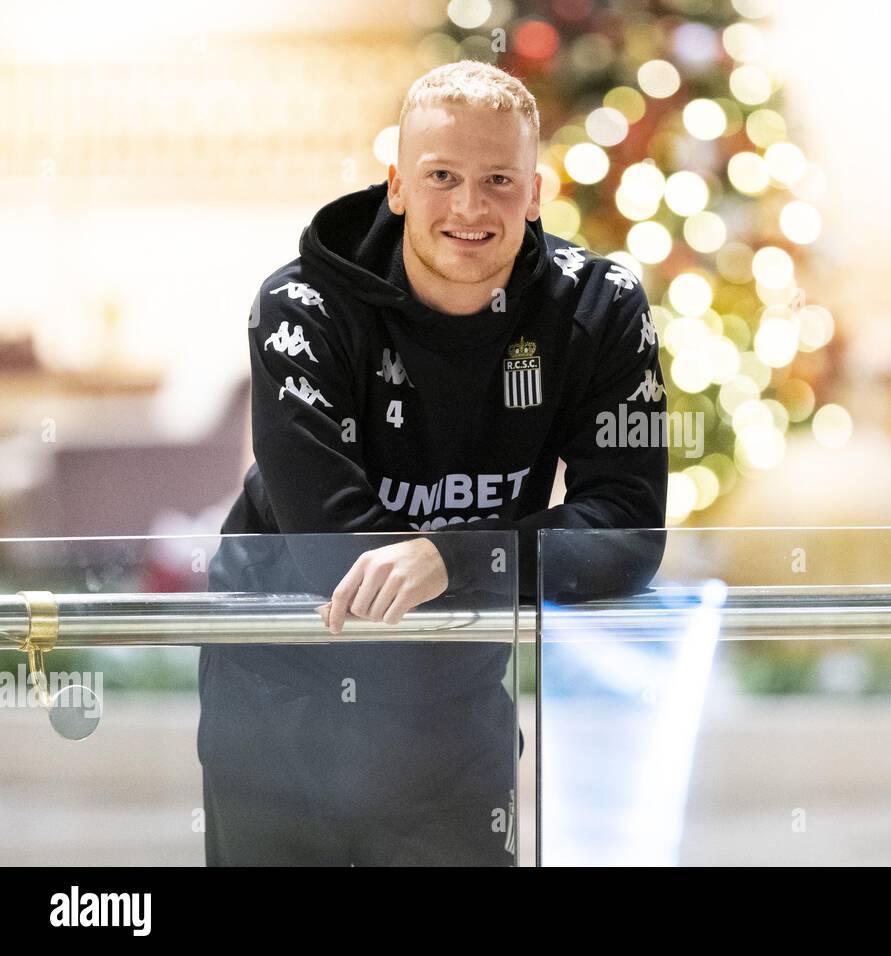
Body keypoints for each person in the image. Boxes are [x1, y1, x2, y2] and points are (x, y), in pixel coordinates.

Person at [199, 60, 668, 866]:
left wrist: (453, 557)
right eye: (441, 176)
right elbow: (333, 553)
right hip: (278, 694)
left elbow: (627, 535)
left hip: (450, 695)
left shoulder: (598, 307)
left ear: (536, 190)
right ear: (398, 186)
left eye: (498, 179)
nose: (470, 207)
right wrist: (502, 554)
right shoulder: (300, 308)